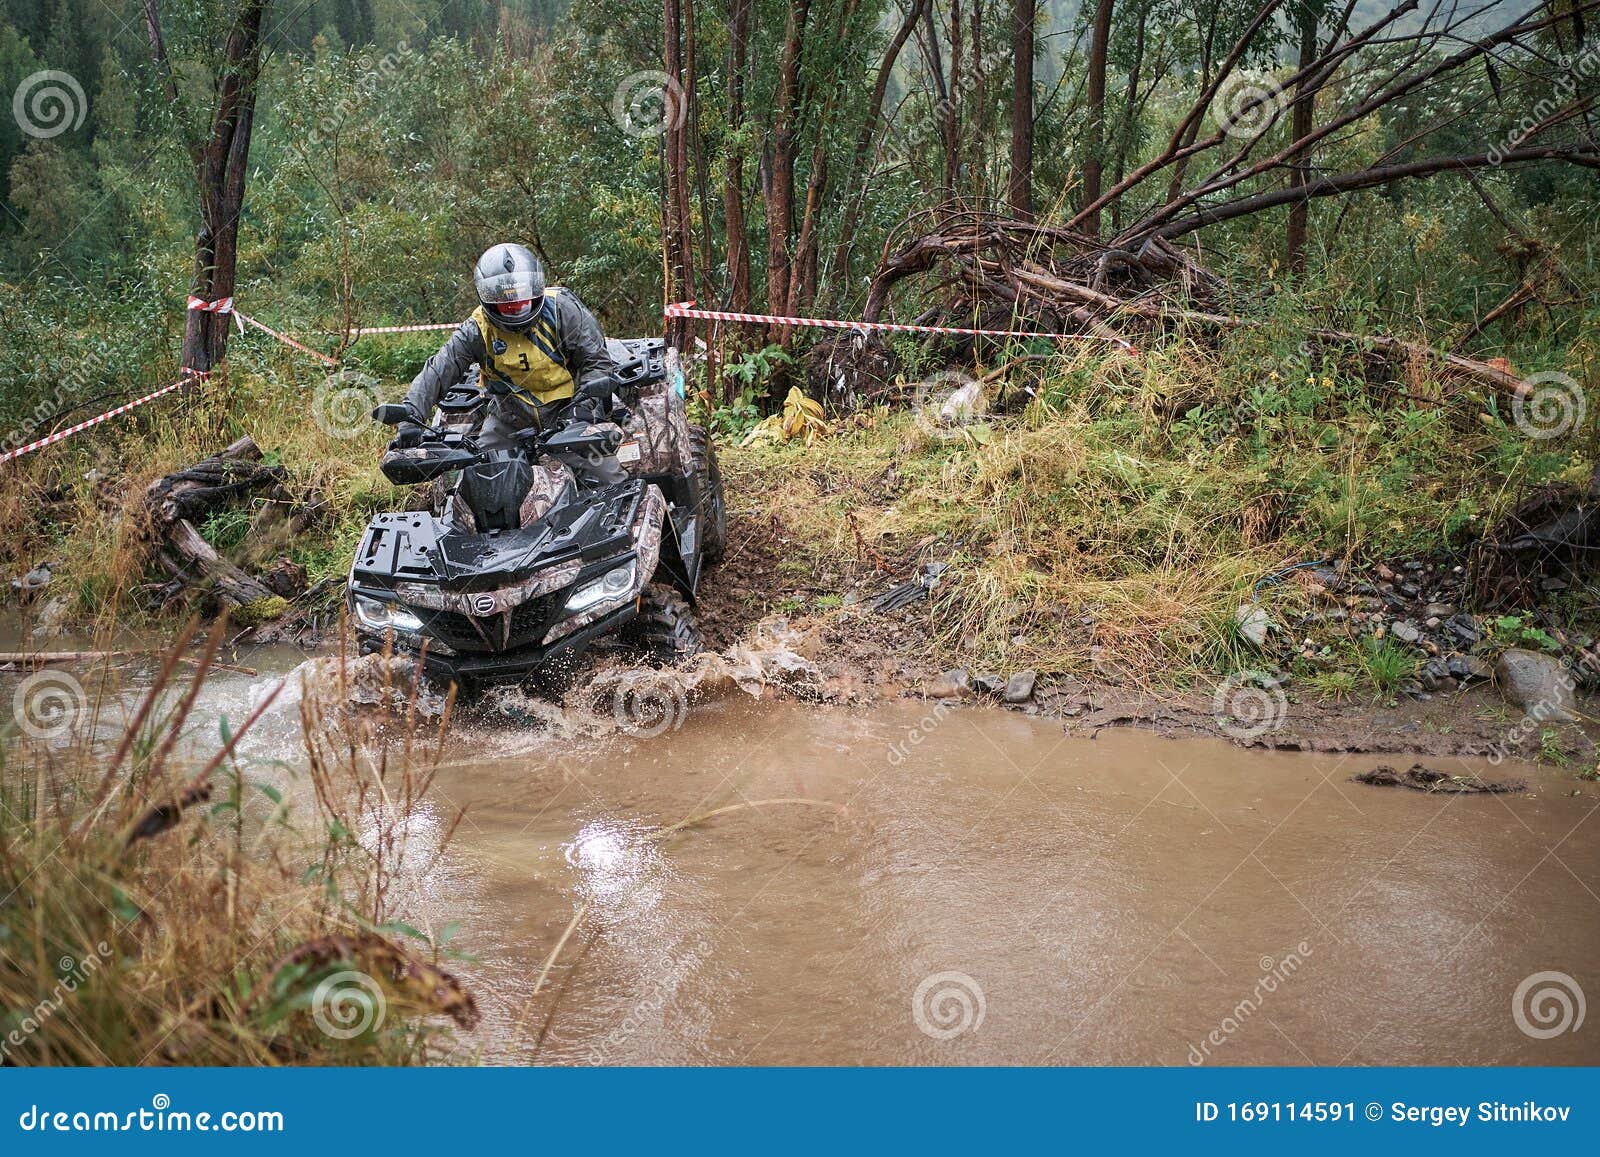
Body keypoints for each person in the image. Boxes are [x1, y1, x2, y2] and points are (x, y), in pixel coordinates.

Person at [395, 243, 621, 459]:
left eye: (521, 295)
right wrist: (410, 418)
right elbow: (437, 371)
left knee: (604, 474)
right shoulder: (476, 329)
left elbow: (597, 363)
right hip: (509, 418)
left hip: (570, 410)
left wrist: (582, 409)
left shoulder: (563, 309)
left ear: (536, 286)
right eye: (506, 301)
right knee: (483, 477)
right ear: (488, 298)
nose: (516, 304)